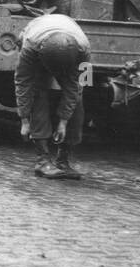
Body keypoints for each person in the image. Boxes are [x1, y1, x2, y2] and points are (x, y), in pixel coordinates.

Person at [15, 12, 91, 179]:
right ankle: (42, 161)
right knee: (38, 93)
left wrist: (64, 122)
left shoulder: (84, 49)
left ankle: (63, 160)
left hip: (72, 56)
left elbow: (79, 86)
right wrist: (24, 120)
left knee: (78, 99)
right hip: (36, 38)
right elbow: (23, 83)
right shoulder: (29, 47)